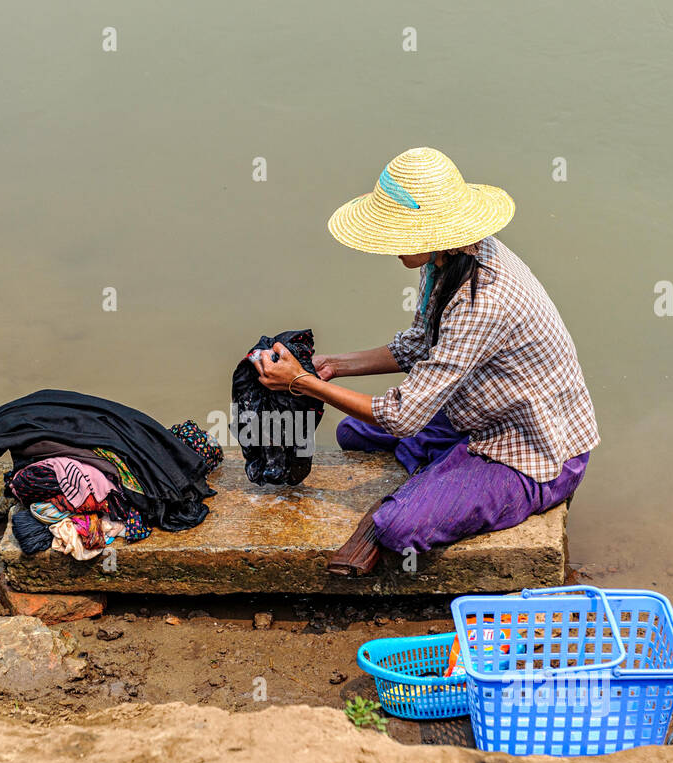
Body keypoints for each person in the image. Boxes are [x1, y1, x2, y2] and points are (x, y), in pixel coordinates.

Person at [249, 147, 599, 556]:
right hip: (482, 412)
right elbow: (419, 344)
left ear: (433, 235)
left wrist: (302, 383)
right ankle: (446, 468)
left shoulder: (482, 299)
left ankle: (461, 478)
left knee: (396, 528)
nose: (389, 246)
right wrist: (334, 367)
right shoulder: (447, 260)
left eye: (396, 233)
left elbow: (402, 416)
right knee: (353, 432)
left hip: (533, 448)